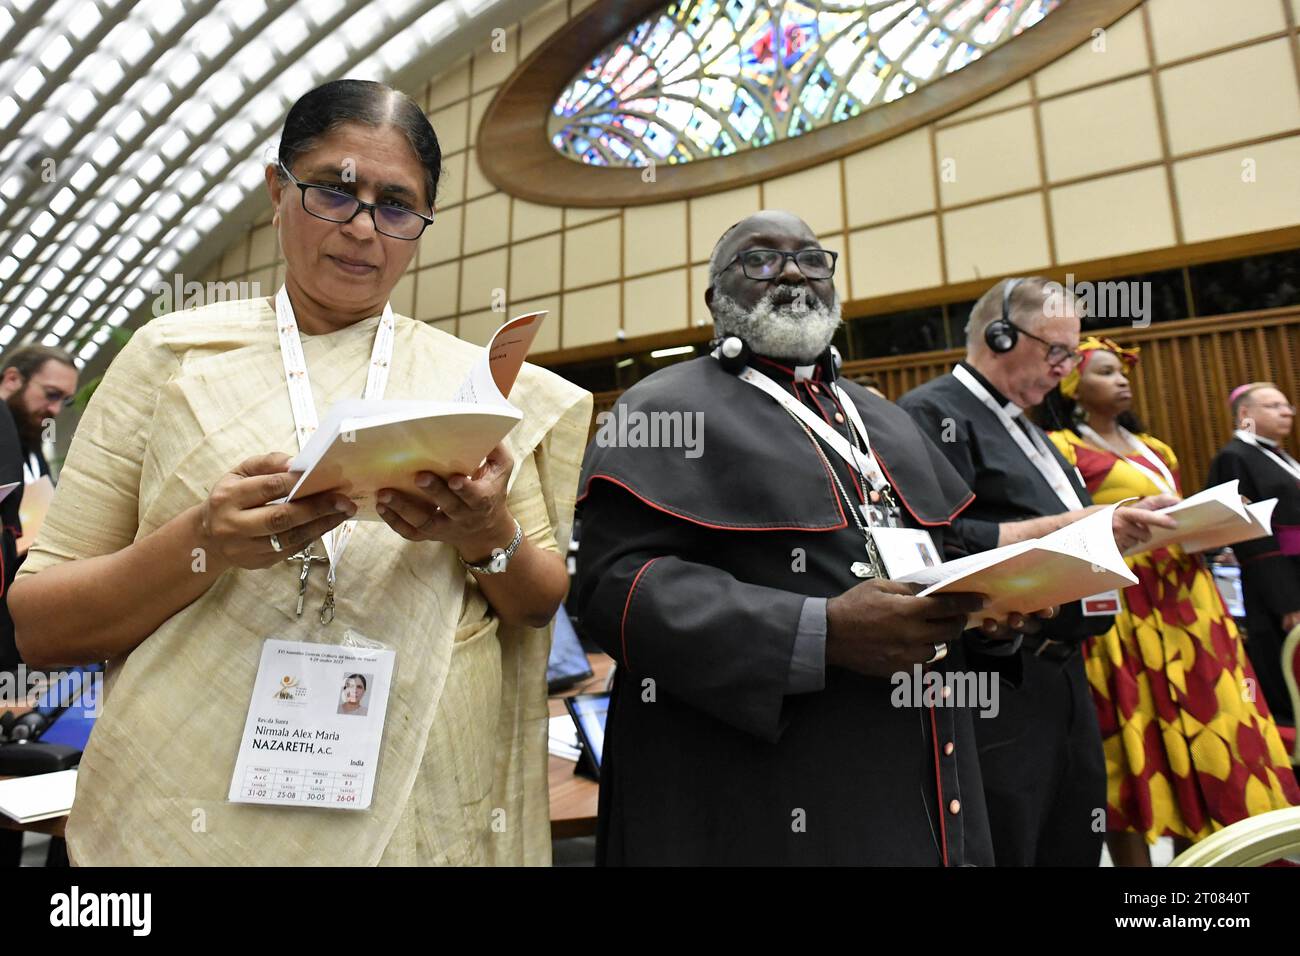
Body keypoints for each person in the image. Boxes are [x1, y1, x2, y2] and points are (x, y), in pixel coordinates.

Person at [9, 79, 591, 866]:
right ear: (278, 189)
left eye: (396, 206)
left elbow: (536, 603)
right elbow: (42, 624)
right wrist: (205, 541)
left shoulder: (467, 381)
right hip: (192, 811)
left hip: (423, 817)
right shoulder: (173, 360)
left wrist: (487, 533)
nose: (362, 229)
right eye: (334, 192)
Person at [571, 210, 1051, 866]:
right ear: (715, 299)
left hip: (932, 770)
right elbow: (616, 589)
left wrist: (989, 615)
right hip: (764, 788)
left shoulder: (882, 416)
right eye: (761, 260)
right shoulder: (662, 408)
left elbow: (935, 553)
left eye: (811, 259)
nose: (794, 271)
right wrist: (820, 632)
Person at [897, 277, 1177, 866]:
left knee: (1073, 838)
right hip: (999, 676)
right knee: (1013, 840)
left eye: (1072, 355)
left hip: (1067, 666)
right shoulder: (931, 411)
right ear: (999, 336)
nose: (1066, 368)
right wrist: (1085, 525)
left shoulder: (1028, 425)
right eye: (1057, 351)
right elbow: (936, 543)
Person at [1043, 338, 1298, 867]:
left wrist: (1220, 518)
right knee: (1133, 739)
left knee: (1207, 730)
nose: (1121, 380)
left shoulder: (1156, 449)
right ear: (1072, 386)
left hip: (1187, 595)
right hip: (1125, 598)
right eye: (1105, 372)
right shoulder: (1060, 447)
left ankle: (1206, 867)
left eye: (1123, 372)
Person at [1207, 382, 1300, 723]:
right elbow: (1251, 536)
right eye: (1275, 406)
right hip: (1275, 585)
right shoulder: (1235, 457)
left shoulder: (1276, 455)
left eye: (1287, 405)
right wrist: (1286, 601)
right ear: (1245, 414)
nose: (1287, 412)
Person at [0, 344, 78, 487]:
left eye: (66, 400)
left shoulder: (32, 448)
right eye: (52, 394)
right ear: (12, 379)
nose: (56, 410)